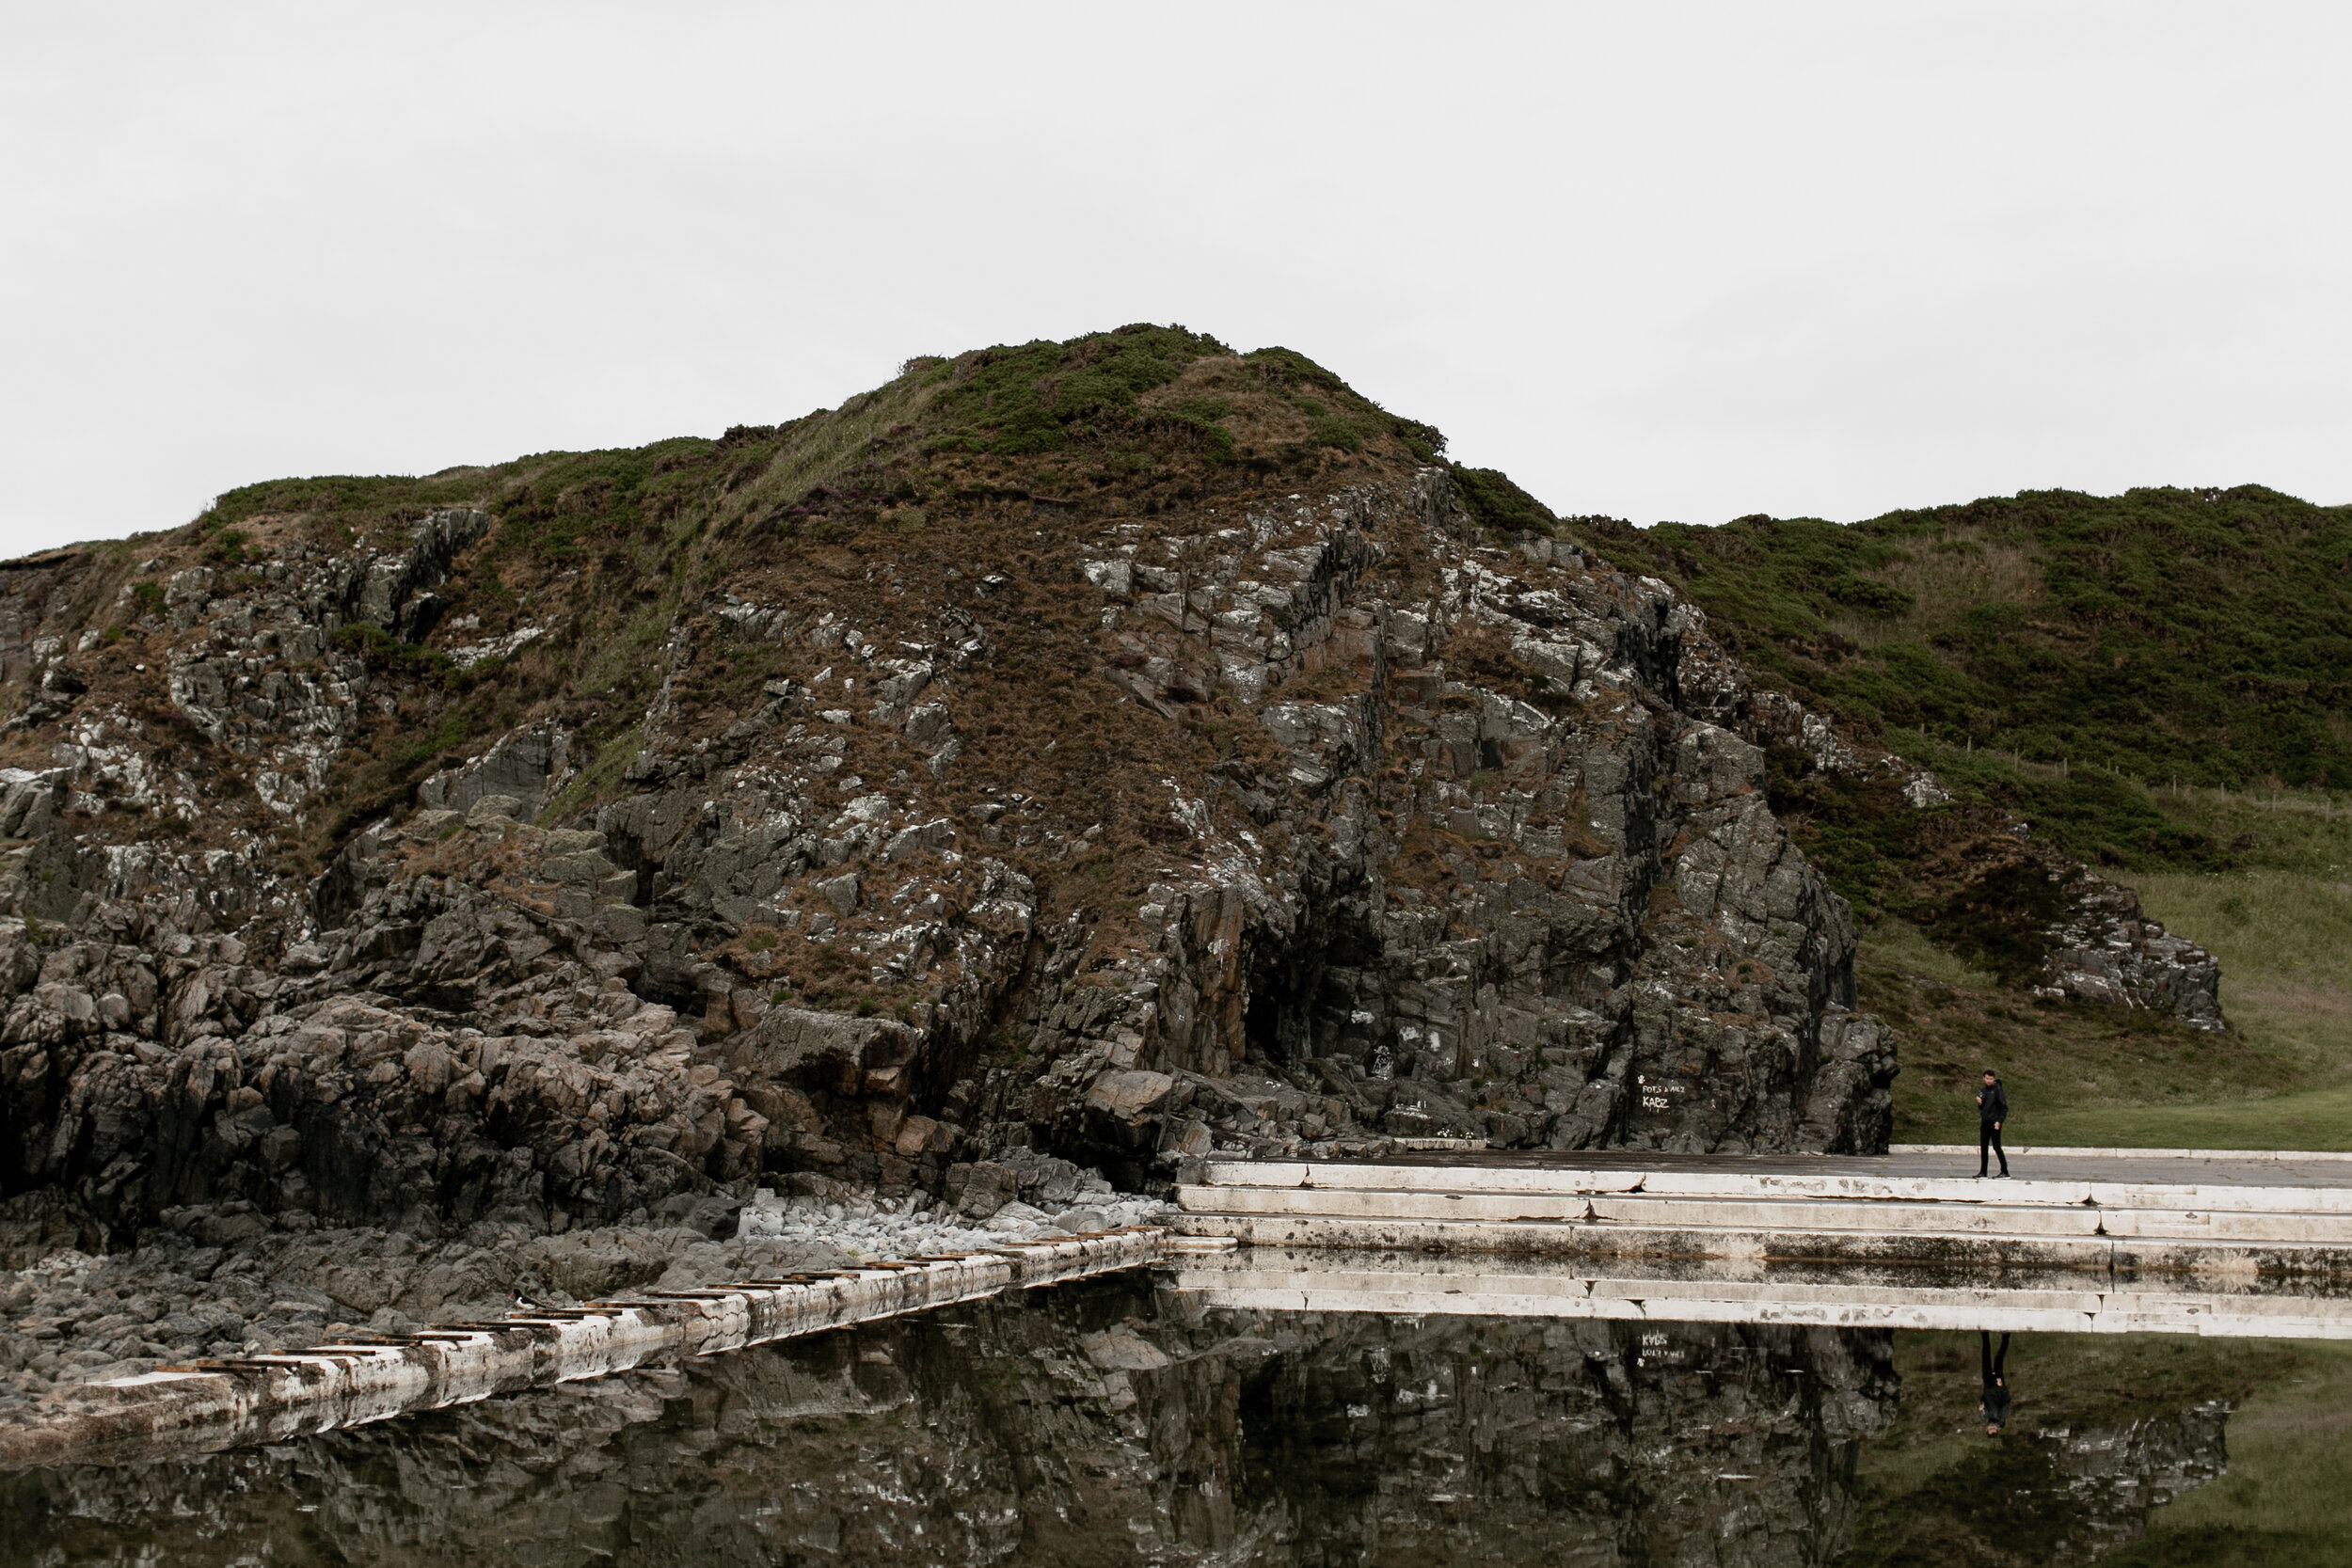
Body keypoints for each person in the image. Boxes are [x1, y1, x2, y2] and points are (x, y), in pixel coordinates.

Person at [1976, 1069, 2010, 1178]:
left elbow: (2004, 1108)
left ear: (1993, 1079)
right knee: (1984, 1147)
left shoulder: (1998, 1090)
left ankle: (2005, 1171)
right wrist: (1979, 1103)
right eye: (1987, 1078)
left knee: (1997, 1147)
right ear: (1984, 1078)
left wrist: (1999, 1121)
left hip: (1995, 1123)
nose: (1989, 1080)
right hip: (1985, 1122)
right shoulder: (1983, 1090)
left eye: (1991, 1079)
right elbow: (1982, 1108)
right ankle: (1983, 1172)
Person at [1979, 1331, 2011, 1435]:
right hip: (1997, 1384)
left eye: (1990, 1429)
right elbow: (2006, 1400)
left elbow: (1984, 1398)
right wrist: (2001, 1386)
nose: (1992, 1427)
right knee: (1999, 1358)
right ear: (1997, 1429)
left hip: (1987, 1382)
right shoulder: (2001, 1417)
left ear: (1987, 1429)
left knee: (1985, 1356)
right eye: (1994, 1429)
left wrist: (1981, 1404)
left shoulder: (1985, 1416)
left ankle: (1984, 1333)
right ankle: (2006, 1336)